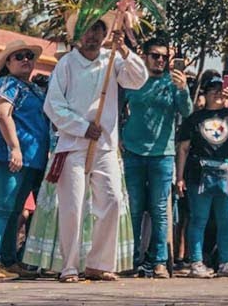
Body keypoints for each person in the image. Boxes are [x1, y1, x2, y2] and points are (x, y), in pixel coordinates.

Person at [43, 15, 148, 283]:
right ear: (78, 35)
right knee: (72, 206)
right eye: (86, 31)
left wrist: (125, 49)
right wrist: (80, 126)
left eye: (97, 31)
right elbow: (53, 105)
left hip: (105, 145)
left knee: (112, 200)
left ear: (104, 35)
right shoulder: (66, 63)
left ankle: (99, 264)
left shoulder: (111, 59)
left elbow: (138, 79)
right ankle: (69, 266)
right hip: (72, 145)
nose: (91, 37)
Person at [0, 41, 50, 281]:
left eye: (29, 56)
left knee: (15, 210)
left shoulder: (33, 89)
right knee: (1, 207)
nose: (25, 59)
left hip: (31, 158)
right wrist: (14, 147)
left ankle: (8, 260)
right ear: (7, 63)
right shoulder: (6, 83)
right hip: (7, 155)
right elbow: (1, 113)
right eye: (18, 56)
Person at [121, 37, 191, 278]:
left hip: (163, 154)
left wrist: (183, 90)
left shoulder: (174, 83)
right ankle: (131, 259)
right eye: (155, 55)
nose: (160, 60)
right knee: (134, 208)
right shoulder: (132, 79)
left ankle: (160, 261)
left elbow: (187, 112)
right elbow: (117, 107)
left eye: (164, 56)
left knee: (160, 209)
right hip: (132, 151)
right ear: (144, 56)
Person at [176, 73, 228, 278]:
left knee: (227, 220)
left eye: (221, 89)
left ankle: (225, 262)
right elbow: (183, 149)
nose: (217, 93)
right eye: (213, 89)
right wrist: (179, 177)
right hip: (198, 176)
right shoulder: (194, 119)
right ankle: (196, 262)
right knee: (198, 219)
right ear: (205, 93)